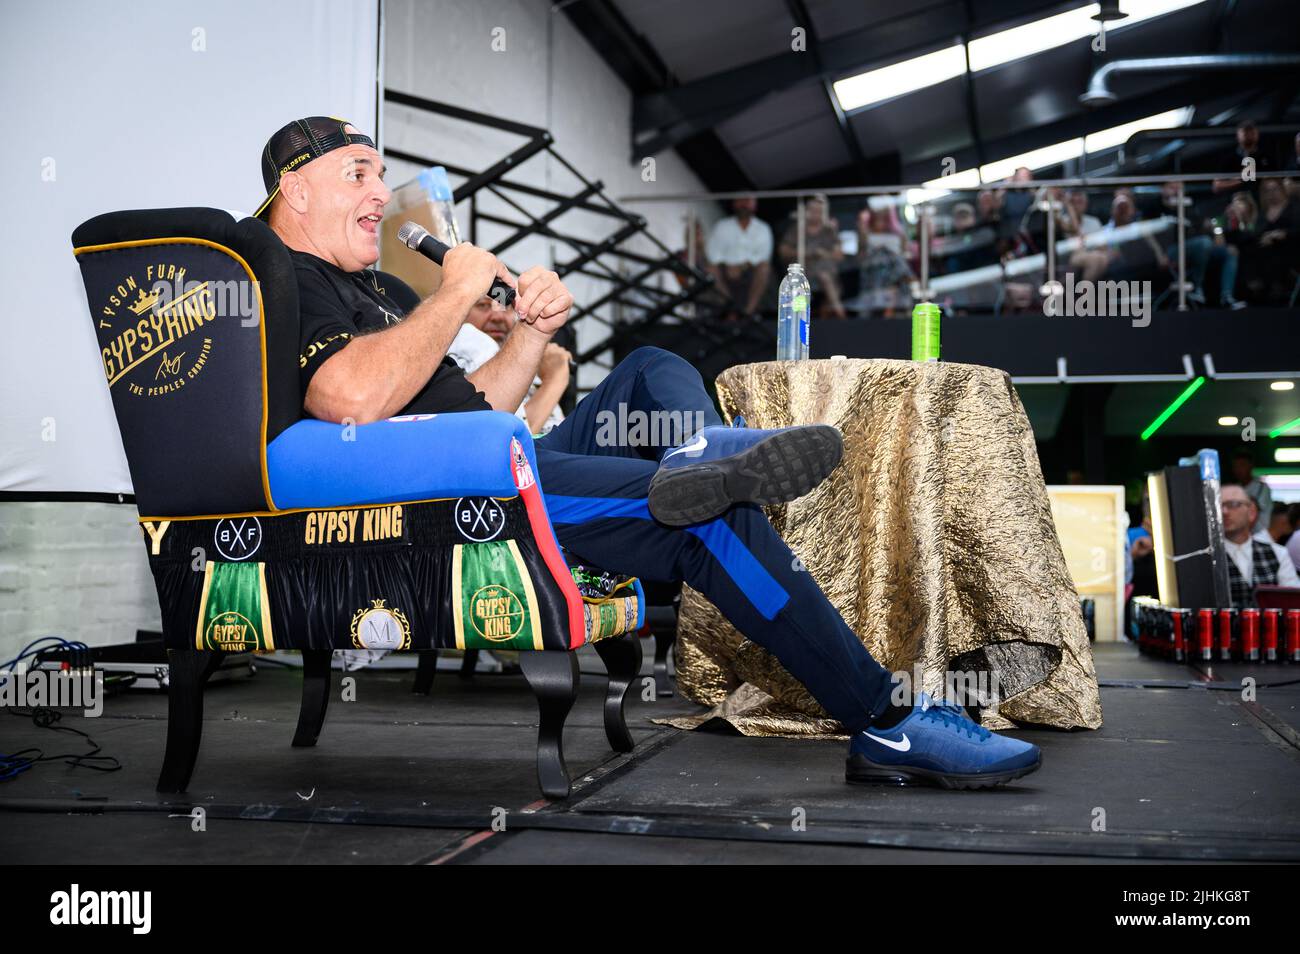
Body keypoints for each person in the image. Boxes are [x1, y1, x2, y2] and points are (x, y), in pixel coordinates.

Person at [255, 116, 1041, 789]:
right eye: (358, 174)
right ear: (296, 189)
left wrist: (531, 328)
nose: (379, 195)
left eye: (381, 175)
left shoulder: (382, 295)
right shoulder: (278, 277)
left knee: (653, 368)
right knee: (710, 519)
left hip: (492, 447)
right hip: (444, 487)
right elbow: (350, 402)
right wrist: (456, 292)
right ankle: (887, 720)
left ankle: (702, 451)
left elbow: (484, 404)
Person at [447, 294, 569, 436]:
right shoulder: (462, 350)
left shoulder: (531, 368)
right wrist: (554, 380)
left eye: (506, 306)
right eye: (483, 305)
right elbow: (512, 438)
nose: (498, 317)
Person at [1220, 485, 1300, 607]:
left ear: (1251, 512)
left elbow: (1292, 600)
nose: (1224, 511)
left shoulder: (1278, 552)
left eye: (1233, 504)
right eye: (1218, 505)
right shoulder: (1206, 557)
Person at [777, 195, 846, 318]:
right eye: (813, 210)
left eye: (819, 211)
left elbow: (839, 255)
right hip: (803, 271)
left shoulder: (829, 231)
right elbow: (783, 252)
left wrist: (823, 253)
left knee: (825, 277)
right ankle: (799, 319)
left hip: (827, 273)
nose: (816, 214)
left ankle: (838, 313)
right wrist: (807, 253)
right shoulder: (797, 229)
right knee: (799, 284)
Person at [705, 196, 773, 320]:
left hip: (750, 270)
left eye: (747, 201)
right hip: (725, 269)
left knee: (764, 268)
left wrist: (742, 267)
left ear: (754, 205)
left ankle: (748, 312)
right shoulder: (722, 226)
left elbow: (763, 255)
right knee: (711, 270)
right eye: (740, 201)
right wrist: (727, 266)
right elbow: (713, 252)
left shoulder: (763, 228)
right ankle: (730, 307)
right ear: (734, 204)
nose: (744, 205)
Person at [1229, 449, 1273, 535]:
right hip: (1242, 536)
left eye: (1242, 465)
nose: (1239, 470)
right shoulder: (1235, 488)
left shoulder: (1262, 487)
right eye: (1236, 466)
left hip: (1261, 535)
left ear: (1251, 466)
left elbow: (1253, 510)